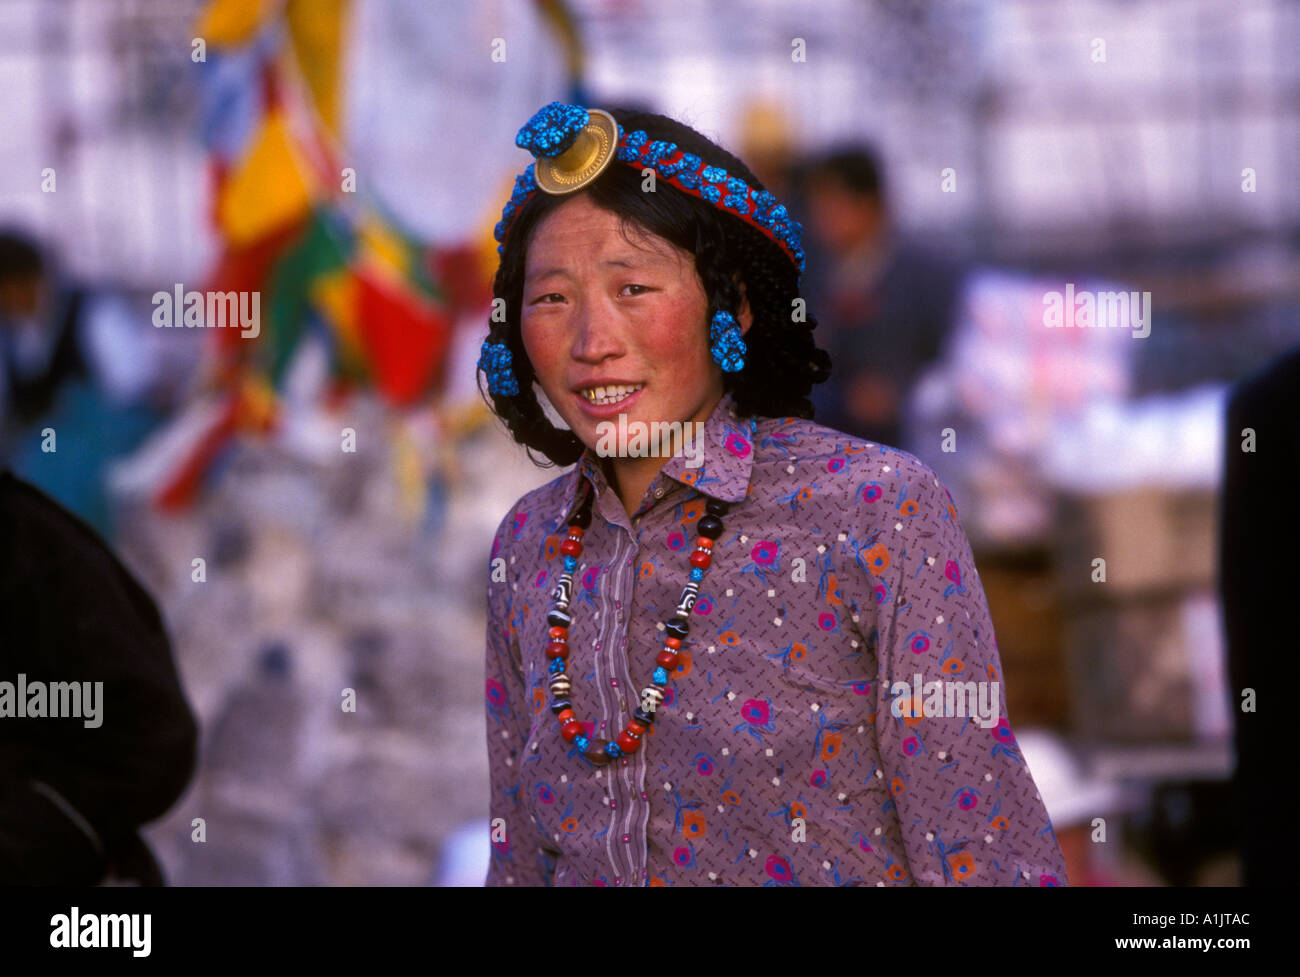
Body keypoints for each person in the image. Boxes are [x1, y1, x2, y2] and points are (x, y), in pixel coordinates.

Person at [478, 102, 1066, 886]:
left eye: (634, 287)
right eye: (552, 298)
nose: (592, 341)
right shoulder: (527, 546)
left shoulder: (876, 511)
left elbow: (983, 854)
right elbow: (518, 861)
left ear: (734, 308)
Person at [801, 147, 964, 451]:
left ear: (869, 205)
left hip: (912, 439)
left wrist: (898, 392)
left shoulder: (924, 273)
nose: (820, 216)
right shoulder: (815, 276)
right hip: (838, 437)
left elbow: (955, 356)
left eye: (831, 203)